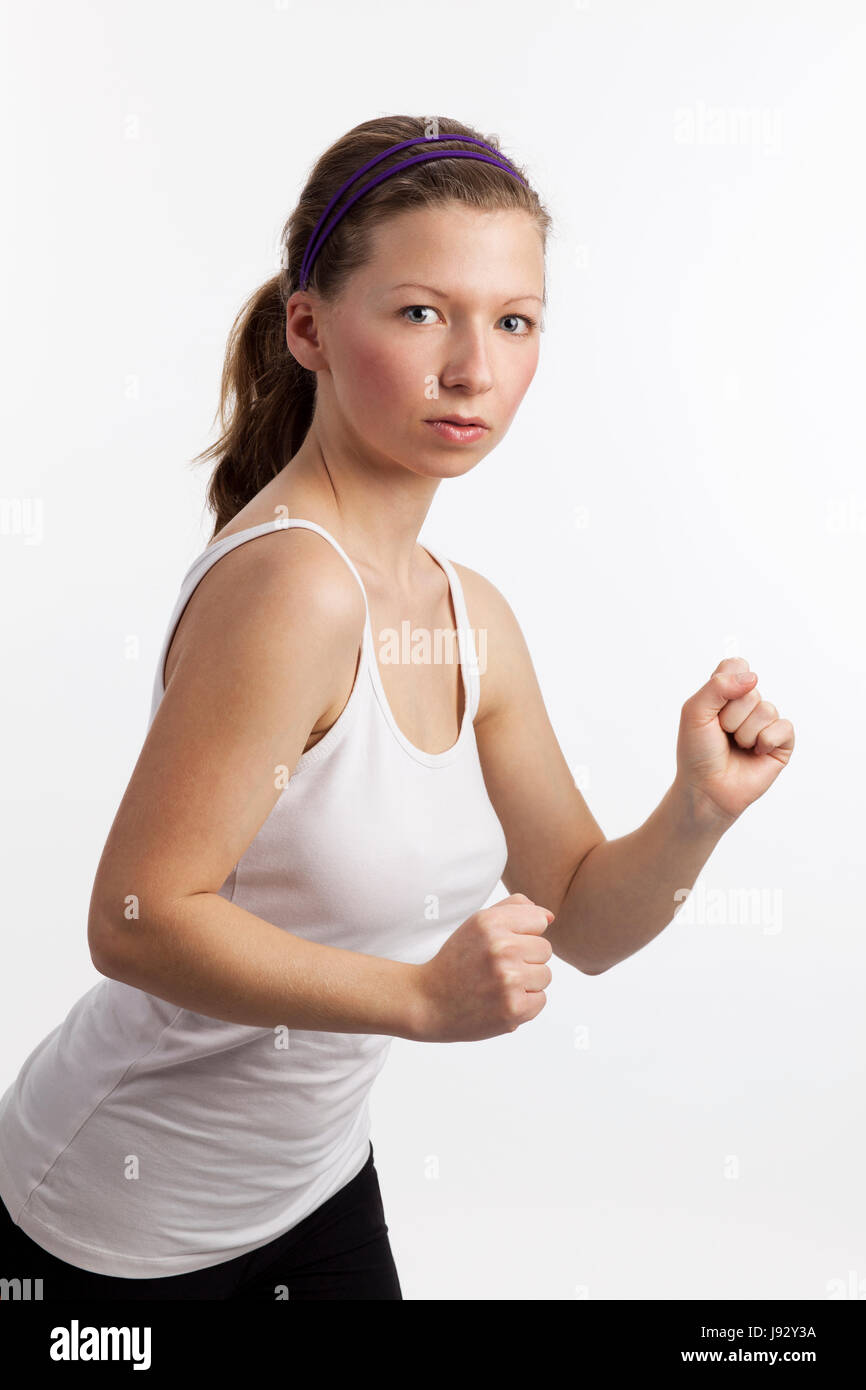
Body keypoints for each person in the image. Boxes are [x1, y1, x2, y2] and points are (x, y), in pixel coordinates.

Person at [0, 114, 794, 1302]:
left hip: (312, 1186)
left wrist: (695, 810)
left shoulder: (465, 614)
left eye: (512, 321)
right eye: (422, 311)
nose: (473, 366)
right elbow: (135, 917)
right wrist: (417, 998)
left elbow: (576, 918)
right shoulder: (292, 587)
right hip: (125, 1225)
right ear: (308, 327)